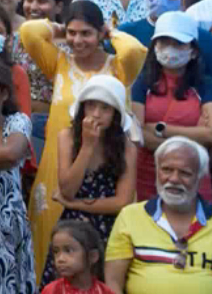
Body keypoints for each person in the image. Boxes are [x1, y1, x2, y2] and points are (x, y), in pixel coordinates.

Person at [20, 2, 148, 275]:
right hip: (60, 164)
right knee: (51, 246)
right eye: (73, 33)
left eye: (86, 33)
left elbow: (134, 50)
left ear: (99, 33)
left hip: (107, 169)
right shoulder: (59, 62)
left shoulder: (119, 68)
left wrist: (110, 32)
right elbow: (29, 32)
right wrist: (59, 29)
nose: (77, 41)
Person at [104, 138, 212, 294]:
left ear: (199, 178)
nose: (174, 179)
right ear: (156, 172)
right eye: (166, 170)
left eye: (185, 173)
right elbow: (113, 283)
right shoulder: (130, 217)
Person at [49, 76, 138, 280]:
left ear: (115, 114)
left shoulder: (127, 148)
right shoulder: (67, 137)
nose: (96, 114)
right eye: (91, 106)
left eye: (105, 108)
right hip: (74, 230)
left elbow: (122, 202)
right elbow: (67, 190)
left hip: (110, 229)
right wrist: (87, 146)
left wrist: (76, 204)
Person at [128, 12, 212, 202]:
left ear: (193, 50)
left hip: (193, 174)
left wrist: (161, 129)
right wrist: (192, 139)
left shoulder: (206, 85)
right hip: (147, 176)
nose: (170, 49)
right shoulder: (142, 83)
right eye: (164, 42)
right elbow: (137, 133)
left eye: (178, 44)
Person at [41, 221, 115, 294]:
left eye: (68, 251)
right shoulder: (52, 291)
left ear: (93, 256)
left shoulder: (104, 291)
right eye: (56, 251)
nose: (60, 259)